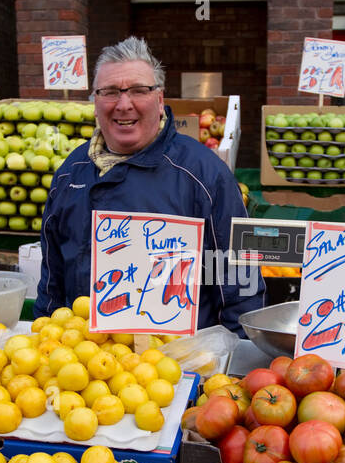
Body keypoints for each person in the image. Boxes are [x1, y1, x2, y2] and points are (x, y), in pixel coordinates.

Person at [36, 36, 264, 333]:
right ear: (94, 102)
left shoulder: (204, 174)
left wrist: (233, 360)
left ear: (160, 100)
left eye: (138, 91)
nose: (123, 104)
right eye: (109, 92)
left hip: (176, 366)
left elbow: (240, 284)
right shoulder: (70, 173)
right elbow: (51, 281)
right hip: (86, 368)